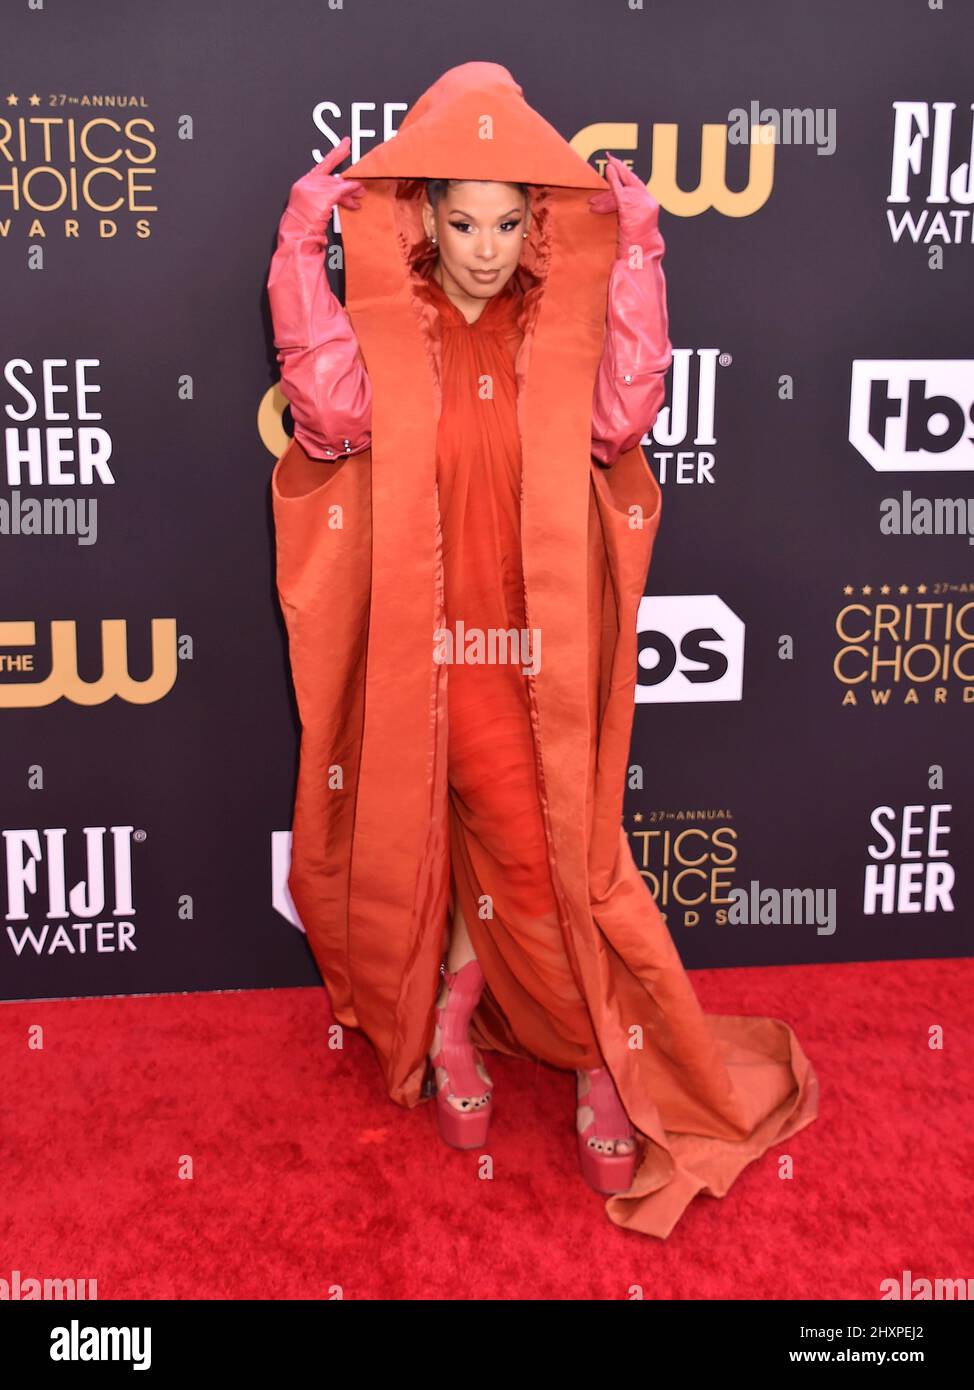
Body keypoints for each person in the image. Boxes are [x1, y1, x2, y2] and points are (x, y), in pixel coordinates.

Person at [267, 62, 818, 1238]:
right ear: (421, 215)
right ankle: (573, 1048)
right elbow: (327, 418)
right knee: (504, 849)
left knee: (544, 854)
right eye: (459, 219)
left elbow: (622, 420)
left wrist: (639, 259)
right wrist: (297, 252)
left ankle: (515, 1028)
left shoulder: (552, 328)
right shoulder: (390, 331)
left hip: (545, 651)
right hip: (433, 651)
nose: (480, 246)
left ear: (533, 224)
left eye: (507, 220)